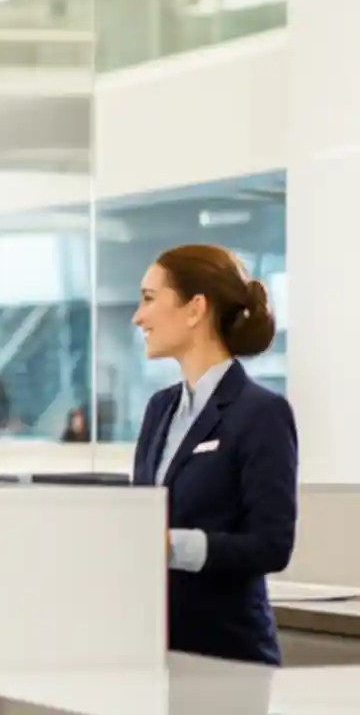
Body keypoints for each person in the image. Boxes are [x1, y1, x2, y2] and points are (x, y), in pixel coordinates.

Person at [131, 244, 296, 665]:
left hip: (228, 656)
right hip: (156, 650)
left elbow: (271, 545)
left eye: (149, 299)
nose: (138, 316)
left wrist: (172, 545)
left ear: (194, 309)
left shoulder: (260, 412)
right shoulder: (159, 409)